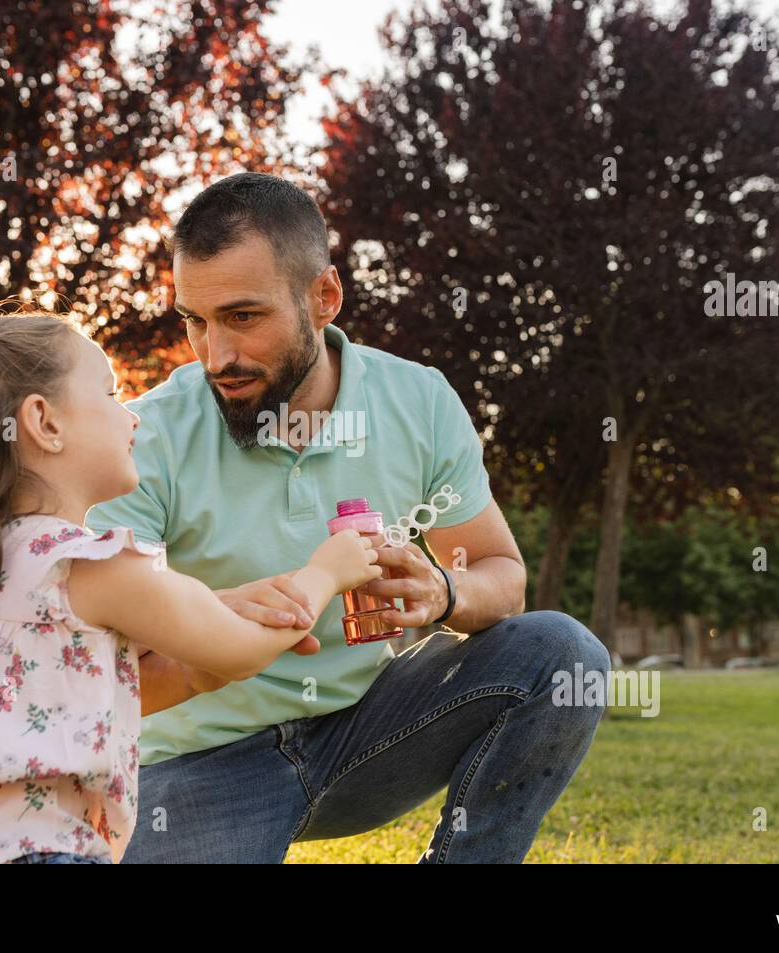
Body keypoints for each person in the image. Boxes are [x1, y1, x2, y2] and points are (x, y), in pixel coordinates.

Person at [87, 173, 612, 863]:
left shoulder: (418, 400)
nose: (217, 355)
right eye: (195, 320)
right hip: (197, 763)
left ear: (325, 297)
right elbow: (99, 669)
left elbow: (502, 575)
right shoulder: (143, 434)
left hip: (365, 734)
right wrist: (215, 634)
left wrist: (444, 592)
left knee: (564, 652)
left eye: (244, 317)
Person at [0, 308, 381, 864]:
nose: (133, 418)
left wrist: (204, 648)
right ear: (45, 423)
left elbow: (83, 695)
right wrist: (327, 573)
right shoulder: (92, 563)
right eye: (111, 394)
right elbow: (238, 652)